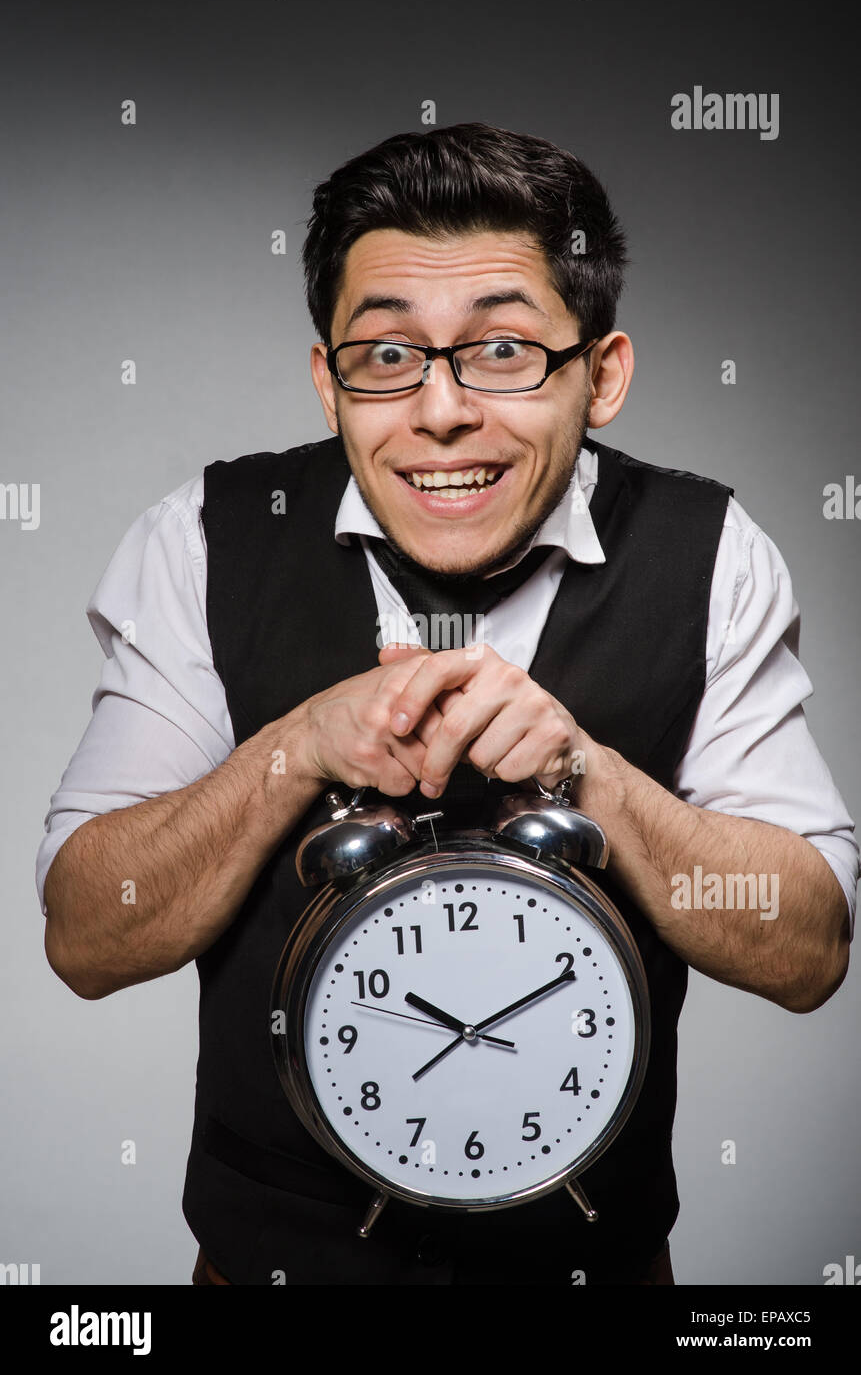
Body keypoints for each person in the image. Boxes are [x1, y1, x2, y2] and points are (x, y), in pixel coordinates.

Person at [37, 121, 857, 1287]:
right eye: (385, 358)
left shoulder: (708, 553)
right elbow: (86, 933)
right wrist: (295, 748)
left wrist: (596, 775)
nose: (440, 413)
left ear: (603, 375)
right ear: (330, 382)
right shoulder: (209, 541)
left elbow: (810, 948)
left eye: (505, 351)